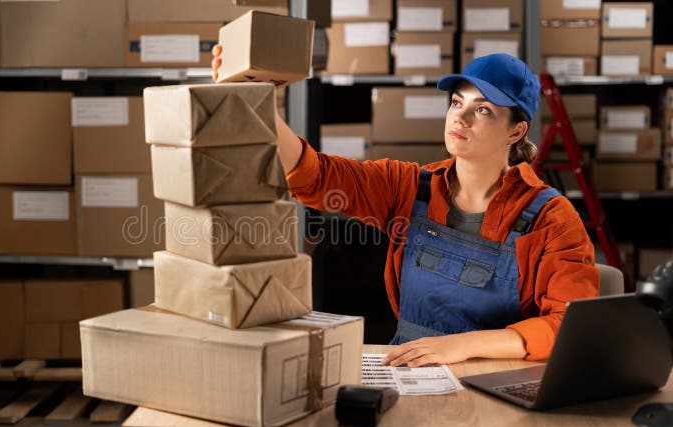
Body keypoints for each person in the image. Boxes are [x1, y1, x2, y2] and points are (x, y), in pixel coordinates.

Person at [211, 47, 599, 367]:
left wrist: (464, 345)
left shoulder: (551, 218)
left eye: (482, 110)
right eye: (456, 102)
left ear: (516, 131)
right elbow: (317, 175)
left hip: (496, 379)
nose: (459, 118)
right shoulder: (410, 187)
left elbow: (570, 326)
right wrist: (257, 98)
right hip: (408, 368)